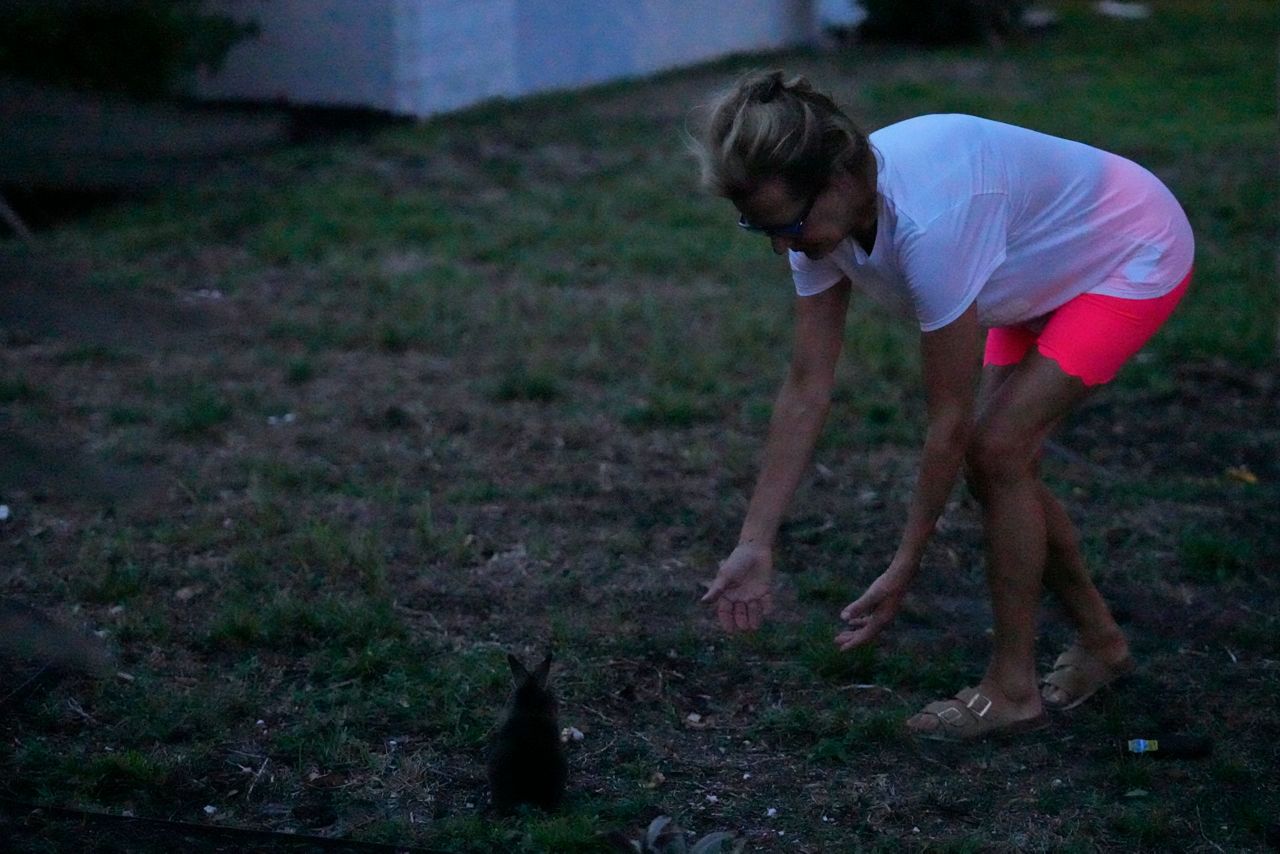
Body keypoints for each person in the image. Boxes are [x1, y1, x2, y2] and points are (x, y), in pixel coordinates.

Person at [695, 71, 1194, 740]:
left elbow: (948, 424)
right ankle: (1102, 644)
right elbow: (807, 387)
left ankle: (1012, 689)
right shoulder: (818, 215)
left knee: (996, 450)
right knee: (997, 461)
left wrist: (905, 564)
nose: (783, 245)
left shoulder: (930, 222)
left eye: (786, 225)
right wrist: (754, 542)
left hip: (1129, 247)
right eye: (760, 229)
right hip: (1026, 267)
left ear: (840, 179)